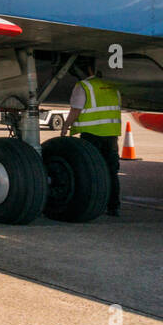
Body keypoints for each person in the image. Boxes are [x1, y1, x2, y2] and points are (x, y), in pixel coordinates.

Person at [63, 59, 123, 216]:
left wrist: (65, 126)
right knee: (111, 171)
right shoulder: (112, 86)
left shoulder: (83, 86)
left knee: (91, 170)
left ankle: (93, 204)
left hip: (91, 134)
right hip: (111, 134)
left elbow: (76, 110)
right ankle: (113, 206)